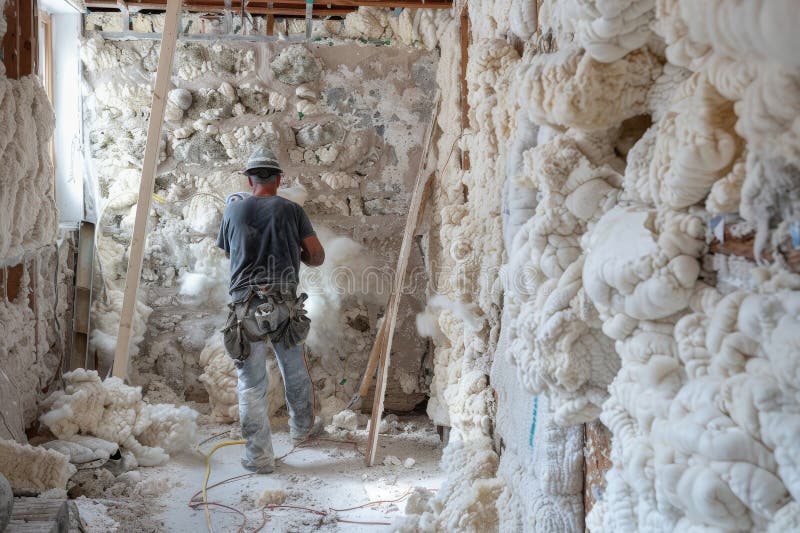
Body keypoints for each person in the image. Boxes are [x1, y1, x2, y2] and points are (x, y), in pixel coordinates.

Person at [217, 146, 325, 474]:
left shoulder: (232, 212)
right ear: (279, 179)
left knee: (251, 383)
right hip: (283, 306)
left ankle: (259, 457)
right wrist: (295, 252)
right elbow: (317, 256)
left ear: (249, 180)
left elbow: (228, 253)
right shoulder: (292, 210)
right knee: (294, 370)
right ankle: (302, 430)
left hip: (244, 308)